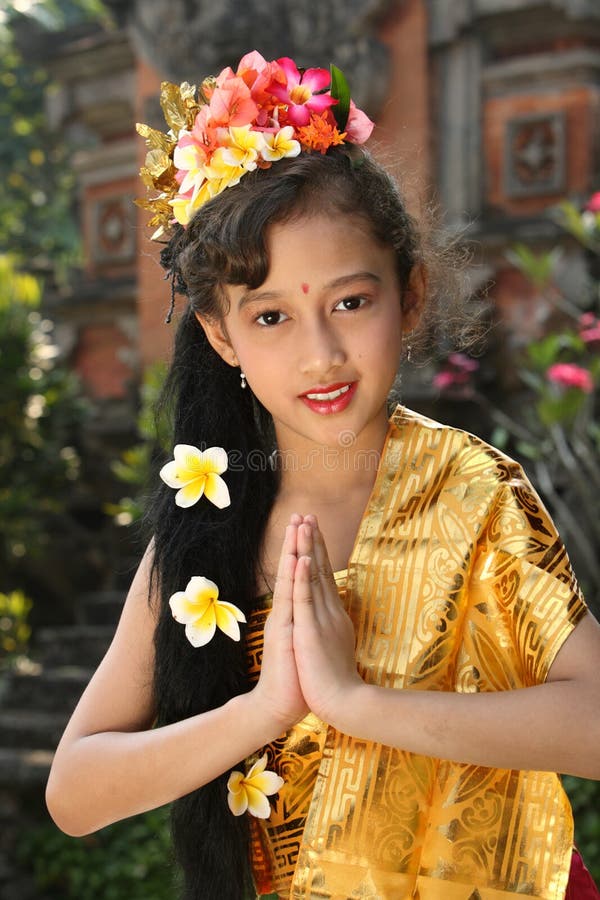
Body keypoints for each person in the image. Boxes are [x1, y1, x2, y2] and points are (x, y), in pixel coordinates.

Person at [46, 51, 600, 900]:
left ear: (409, 295)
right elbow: (76, 793)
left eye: (350, 301)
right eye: (271, 316)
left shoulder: (471, 490)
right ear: (221, 336)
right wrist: (262, 713)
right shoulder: (209, 525)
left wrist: (355, 702)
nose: (320, 353)